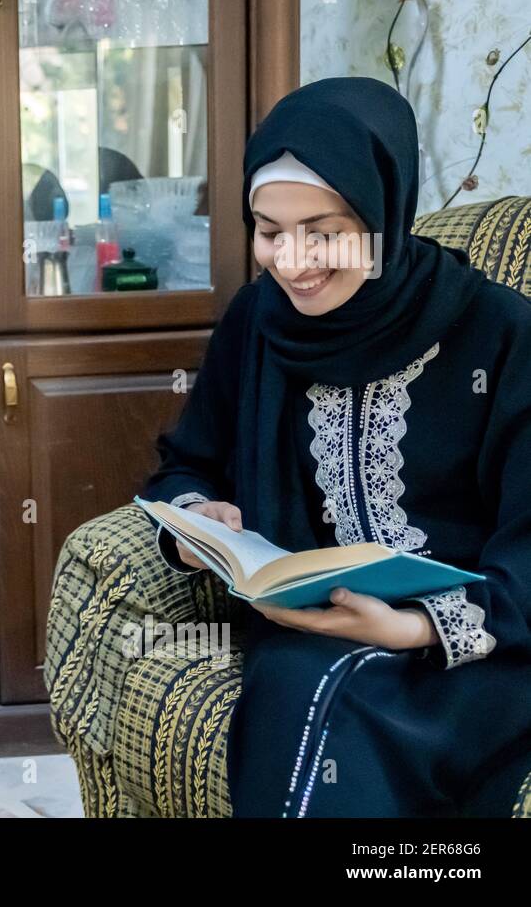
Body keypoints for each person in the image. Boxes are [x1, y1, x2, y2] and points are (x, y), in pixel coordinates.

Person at [141, 77, 531, 817]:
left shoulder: (503, 334)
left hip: (478, 647)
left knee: (324, 698)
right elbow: (186, 463)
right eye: (268, 230)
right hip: (313, 631)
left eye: (323, 230)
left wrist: (414, 625)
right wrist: (198, 519)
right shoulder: (256, 322)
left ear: (383, 212)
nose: (292, 262)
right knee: (302, 680)